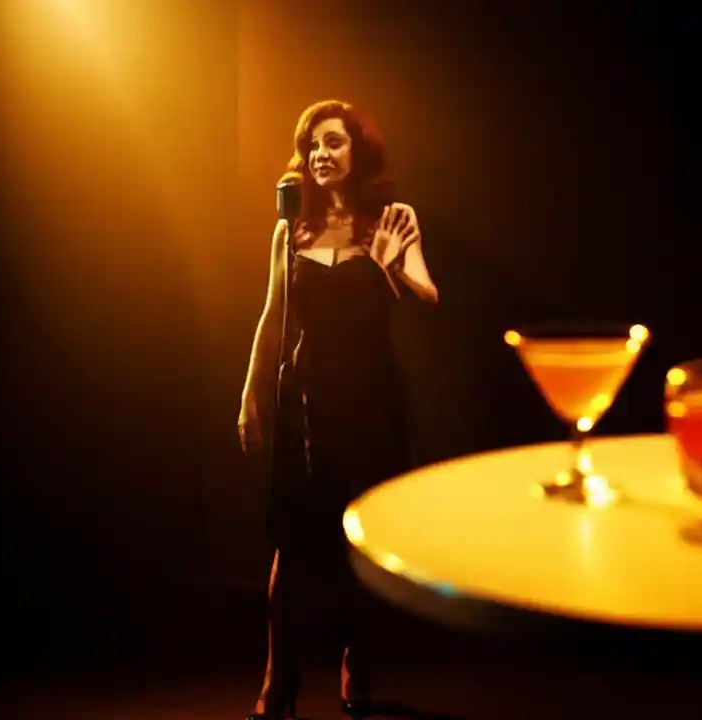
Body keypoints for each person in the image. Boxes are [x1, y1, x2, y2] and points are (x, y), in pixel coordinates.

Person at [238, 99, 439, 720]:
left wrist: (386, 267)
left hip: (370, 400)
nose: (321, 154)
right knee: (291, 547)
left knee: (363, 543)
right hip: (304, 401)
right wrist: (249, 392)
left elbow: (429, 298)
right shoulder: (289, 227)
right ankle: (280, 683)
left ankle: (359, 662)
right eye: (312, 145)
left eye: (334, 142)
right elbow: (273, 317)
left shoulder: (391, 220)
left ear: (357, 152)